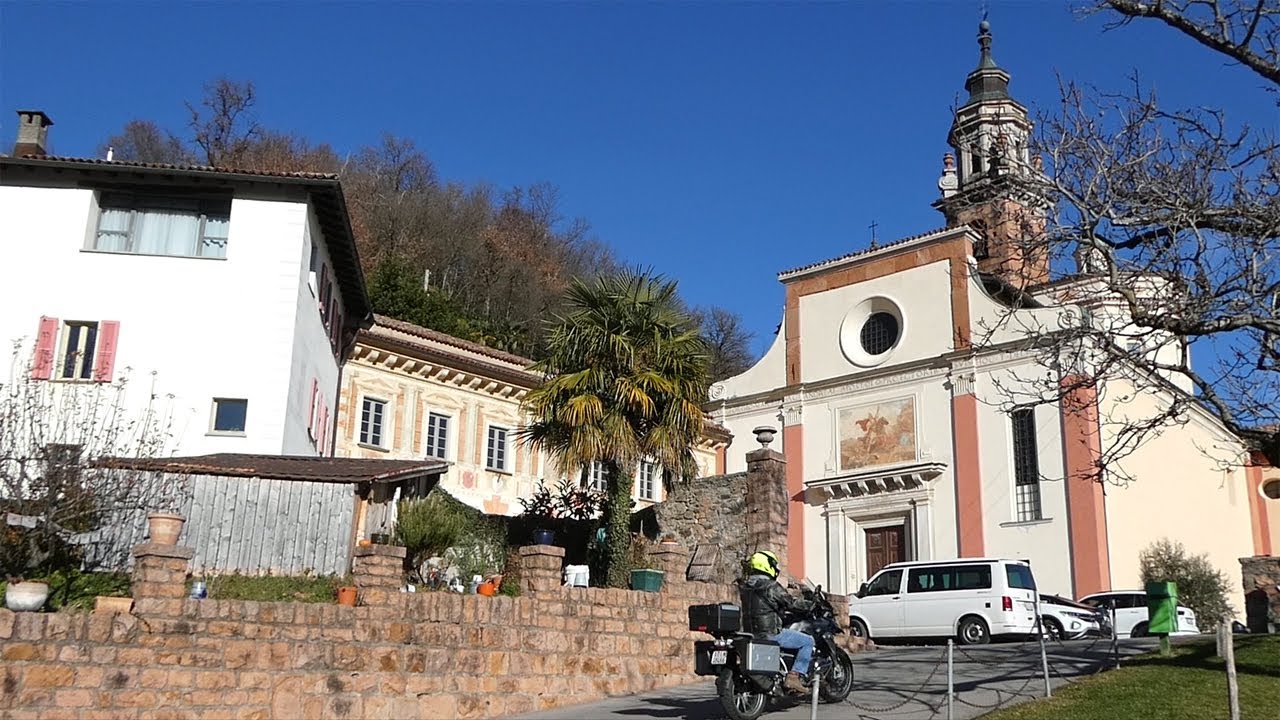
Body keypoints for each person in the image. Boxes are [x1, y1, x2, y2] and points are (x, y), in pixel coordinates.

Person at [740, 550, 814, 695]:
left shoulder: (745, 586)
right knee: (807, 641)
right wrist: (811, 604)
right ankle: (794, 677)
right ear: (767, 566)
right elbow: (791, 603)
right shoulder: (770, 586)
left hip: (751, 634)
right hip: (770, 634)